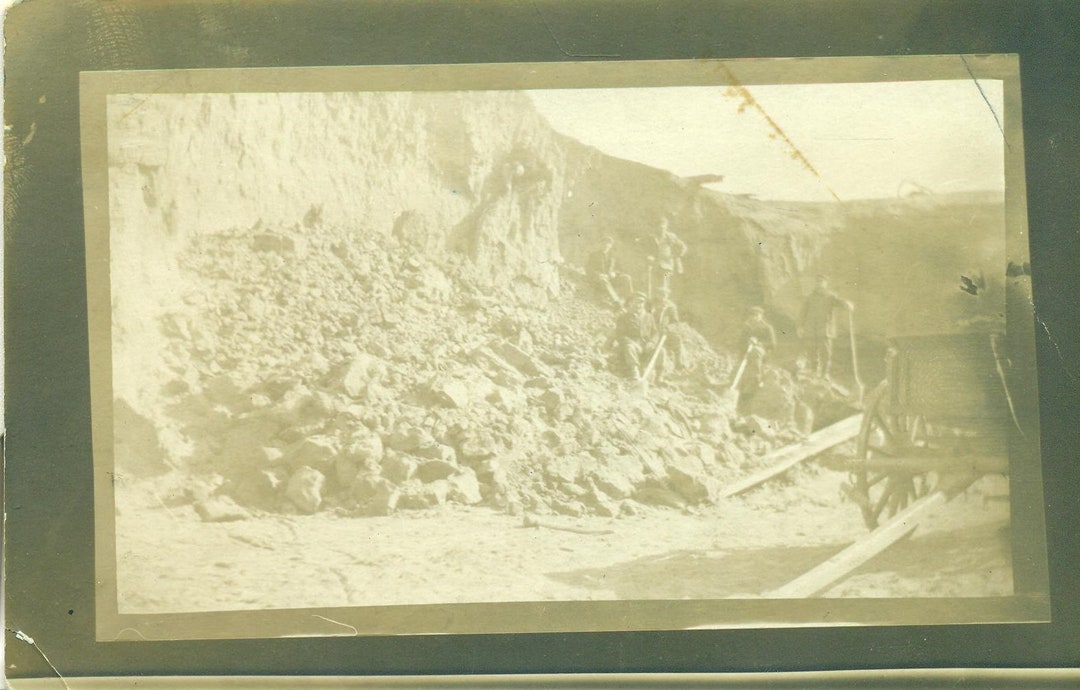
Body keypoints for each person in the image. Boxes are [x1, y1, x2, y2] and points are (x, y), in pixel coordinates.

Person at [798, 274, 854, 378]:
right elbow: (803, 312)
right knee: (811, 351)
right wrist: (800, 326)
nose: (819, 283)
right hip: (811, 329)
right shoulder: (809, 297)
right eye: (818, 281)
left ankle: (824, 373)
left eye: (822, 281)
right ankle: (813, 371)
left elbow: (839, 302)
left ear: (825, 283)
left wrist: (847, 304)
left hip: (825, 329)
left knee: (825, 353)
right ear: (815, 284)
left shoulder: (830, 296)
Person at [613, 292, 665, 381]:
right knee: (629, 347)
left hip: (646, 346)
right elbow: (620, 336)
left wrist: (651, 342)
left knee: (661, 351)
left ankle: (659, 376)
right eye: (636, 302)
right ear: (630, 303)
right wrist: (633, 343)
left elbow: (655, 333)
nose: (639, 305)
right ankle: (634, 372)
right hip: (631, 346)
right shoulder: (623, 317)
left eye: (641, 302)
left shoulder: (649, 317)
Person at [737, 306, 777, 412]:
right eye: (752, 315)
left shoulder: (767, 327)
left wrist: (758, 343)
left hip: (762, 352)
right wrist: (747, 342)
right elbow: (740, 343)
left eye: (757, 315)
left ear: (761, 316)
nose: (754, 318)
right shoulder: (746, 327)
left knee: (756, 352)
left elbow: (772, 344)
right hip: (747, 352)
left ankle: (757, 378)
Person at [586, 235, 632, 306]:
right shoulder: (594, 255)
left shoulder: (613, 257)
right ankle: (616, 301)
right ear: (600, 244)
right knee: (603, 280)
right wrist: (598, 274)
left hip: (610, 280)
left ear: (610, 246)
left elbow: (620, 270)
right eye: (604, 243)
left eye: (608, 244)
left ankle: (630, 301)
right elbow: (589, 269)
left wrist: (614, 273)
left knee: (627, 278)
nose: (606, 246)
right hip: (598, 281)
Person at [651, 284, 685, 372]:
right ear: (656, 294)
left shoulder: (670, 307)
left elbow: (674, 322)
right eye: (660, 294)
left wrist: (668, 328)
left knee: (677, 339)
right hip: (650, 329)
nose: (662, 297)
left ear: (667, 296)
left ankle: (679, 364)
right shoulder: (650, 303)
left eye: (664, 295)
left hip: (663, 330)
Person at [649, 218, 688, 293]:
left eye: (663, 226)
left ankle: (665, 300)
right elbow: (645, 249)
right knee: (654, 285)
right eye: (659, 226)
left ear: (666, 226)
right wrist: (649, 256)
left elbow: (683, 246)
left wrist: (677, 255)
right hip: (655, 264)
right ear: (656, 227)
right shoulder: (652, 237)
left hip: (667, 265)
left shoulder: (670, 237)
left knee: (665, 284)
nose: (661, 228)